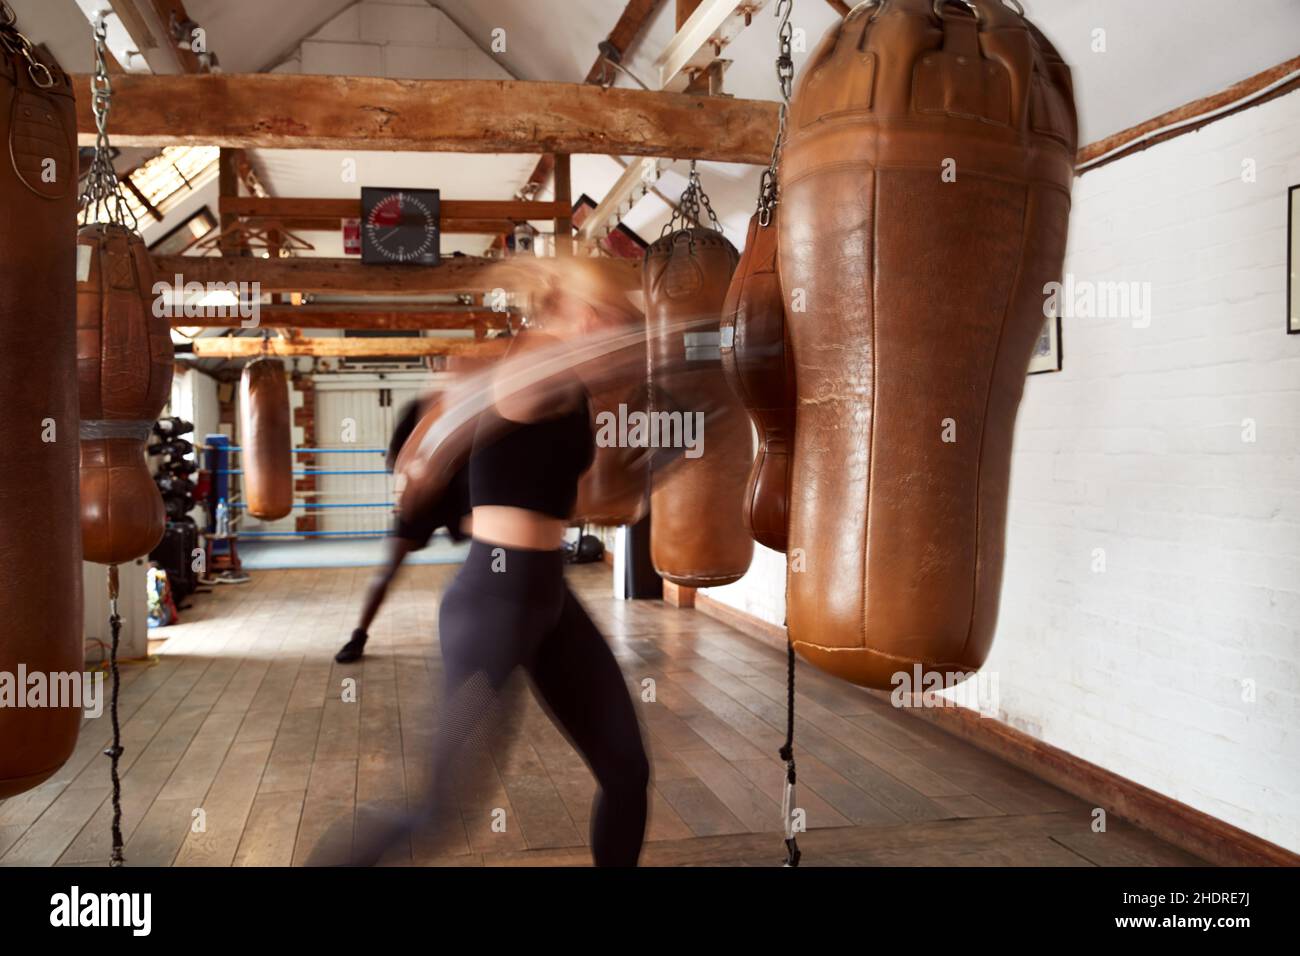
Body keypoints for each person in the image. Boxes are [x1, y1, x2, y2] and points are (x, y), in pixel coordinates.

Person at [336, 264, 652, 868]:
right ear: (583, 317)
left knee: (625, 770)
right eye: (610, 319)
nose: (617, 337)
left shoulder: (570, 384)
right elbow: (540, 375)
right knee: (438, 809)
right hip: (493, 604)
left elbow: (559, 493)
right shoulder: (537, 357)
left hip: (546, 600)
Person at [333, 397, 467, 664]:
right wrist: (418, 475)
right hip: (419, 499)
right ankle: (358, 636)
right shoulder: (418, 408)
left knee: (500, 554)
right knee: (388, 570)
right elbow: (395, 458)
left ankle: (507, 631)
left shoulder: (472, 404)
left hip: (460, 498)